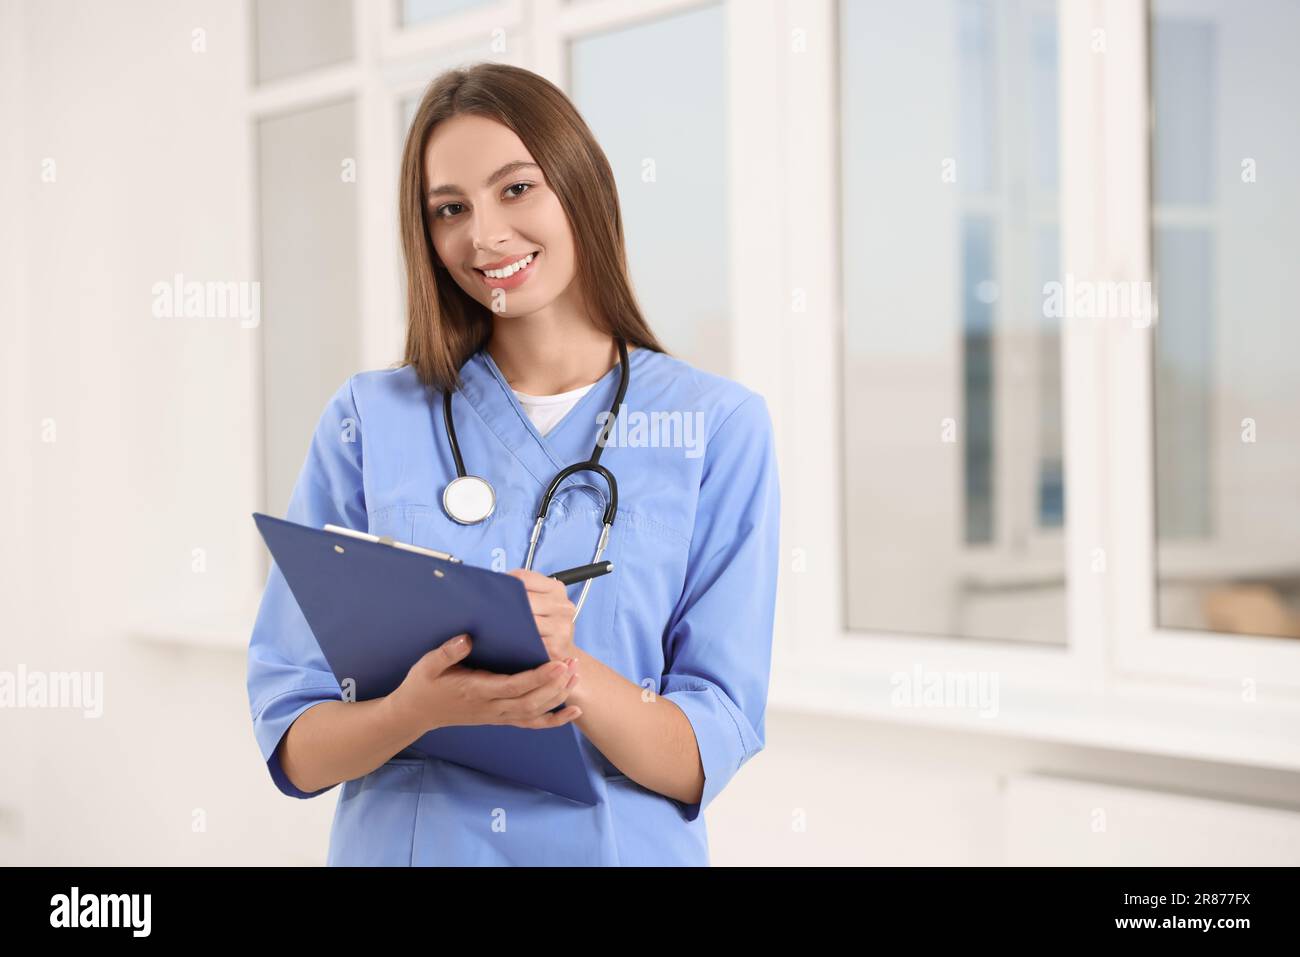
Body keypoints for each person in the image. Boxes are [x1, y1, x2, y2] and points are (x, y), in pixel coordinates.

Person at [245, 62, 780, 866]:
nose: (484, 235)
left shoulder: (717, 428)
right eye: (449, 209)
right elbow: (294, 741)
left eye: (516, 189)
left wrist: (564, 671)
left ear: (581, 185)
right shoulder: (369, 420)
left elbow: (704, 751)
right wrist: (415, 710)